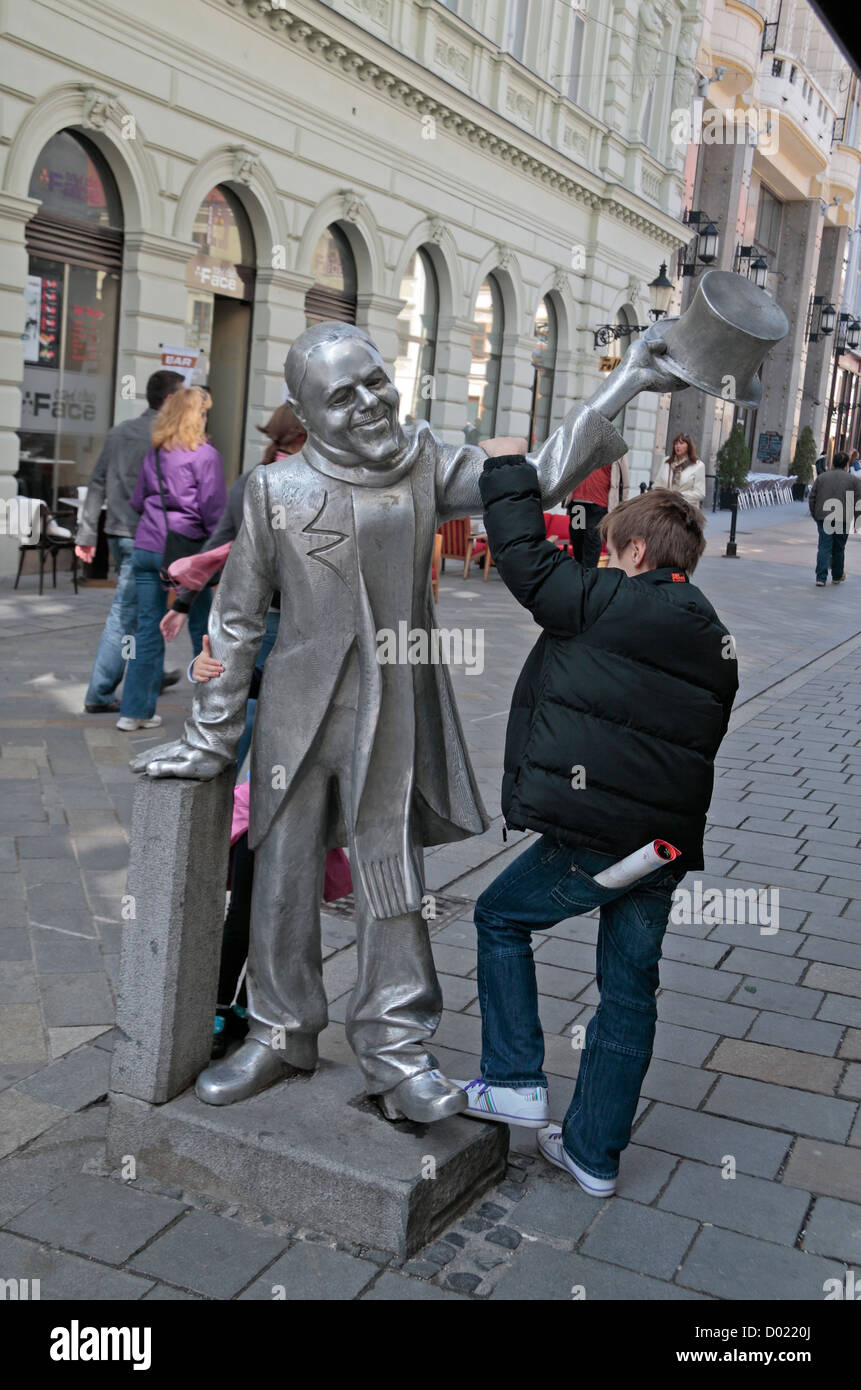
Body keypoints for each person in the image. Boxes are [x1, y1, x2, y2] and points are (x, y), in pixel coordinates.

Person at [131, 321, 685, 1124]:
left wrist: (626, 380)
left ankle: (395, 1048)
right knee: (280, 873)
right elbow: (239, 617)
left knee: (390, 875)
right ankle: (280, 1030)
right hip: (294, 713)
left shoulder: (423, 460)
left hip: (391, 708)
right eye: (342, 395)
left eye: (375, 381)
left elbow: (531, 477)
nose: (368, 404)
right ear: (304, 412)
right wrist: (212, 734)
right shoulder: (271, 491)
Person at [457, 475, 737, 1197]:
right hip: (663, 844)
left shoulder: (609, 600)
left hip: (598, 833)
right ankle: (592, 1152)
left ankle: (513, 1078)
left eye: (611, 554)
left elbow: (524, 561)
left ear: (637, 550)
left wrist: (507, 469)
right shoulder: (711, 631)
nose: (603, 564)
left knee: (499, 915)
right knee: (628, 991)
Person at [161, 404, 307, 766]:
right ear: (307, 435)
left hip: (256, 614)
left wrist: (182, 605)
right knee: (260, 708)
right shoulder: (296, 482)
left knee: (244, 704)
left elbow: (217, 547)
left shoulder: (253, 478)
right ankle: (238, 798)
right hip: (280, 617)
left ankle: (229, 792)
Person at [117, 387, 226, 732]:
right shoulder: (205, 456)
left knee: (146, 629)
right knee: (203, 630)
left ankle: (134, 712)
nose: (208, 417)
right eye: (205, 412)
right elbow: (215, 514)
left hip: (148, 545)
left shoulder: (156, 453)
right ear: (198, 417)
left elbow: (137, 501)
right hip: (188, 553)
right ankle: (208, 710)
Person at [75, 370, 184, 713]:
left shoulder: (119, 432)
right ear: (168, 400)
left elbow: (96, 481)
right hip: (147, 538)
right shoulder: (168, 436)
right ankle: (100, 692)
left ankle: (151, 673)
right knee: (126, 613)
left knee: (144, 609)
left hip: (119, 533)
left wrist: (87, 532)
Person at [808, 450, 861, 586]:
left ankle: (821, 577)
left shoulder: (822, 478)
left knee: (824, 547)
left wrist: (815, 514)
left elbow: (812, 497)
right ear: (846, 465)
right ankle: (837, 576)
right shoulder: (854, 481)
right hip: (842, 517)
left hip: (824, 516)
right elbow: (858, 501)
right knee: (839, 548)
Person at [566, 455, 629, 565]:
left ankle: (587, 577)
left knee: (592, 540)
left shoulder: (616, 447)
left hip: (600, 505)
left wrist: (621, 505)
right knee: (577, 538)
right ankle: (580, 574)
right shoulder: (581, 442)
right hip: (578, 502)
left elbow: (624, 481)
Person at [663, 432, 706, 511]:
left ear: (688, 446)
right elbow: (658, 484)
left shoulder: (698, 465)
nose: (678, 446)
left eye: (681, 443)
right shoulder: (667, 462)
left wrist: (679, 496)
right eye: (676, 443)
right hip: (668, 507)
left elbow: (700, 493)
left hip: (687, 510)